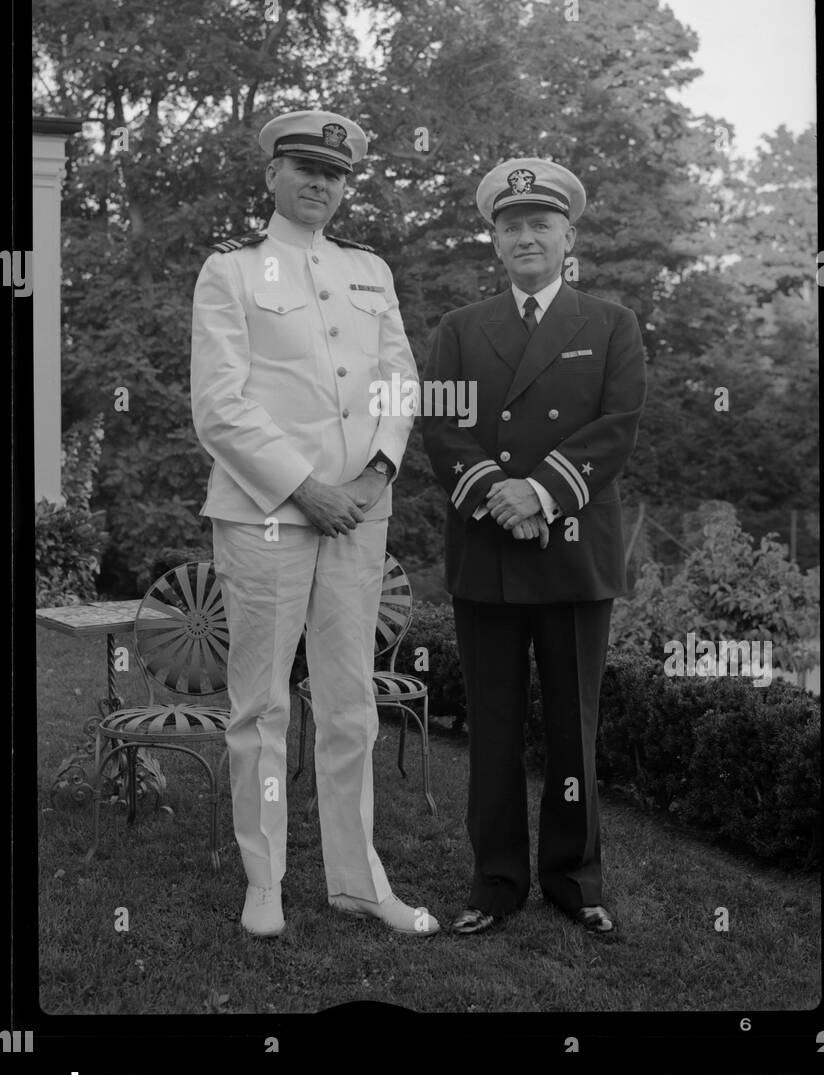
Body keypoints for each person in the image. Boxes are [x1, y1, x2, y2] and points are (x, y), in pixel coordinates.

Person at [191, 109, 439, 938]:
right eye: (305, 168)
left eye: (334, 174)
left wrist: (374, 475)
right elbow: (219, 407)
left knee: (349, 703)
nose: (320, 183)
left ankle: (357, 881)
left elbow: (399, 383)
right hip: (267, 515)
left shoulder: (370, 269)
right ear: (273, 174)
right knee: (261, 705)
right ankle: (264, 881)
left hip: (360, 514)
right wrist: (306, 489)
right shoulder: (231, 270)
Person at [421, 157, 646, 935]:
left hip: (573, 551)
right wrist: (500, 494)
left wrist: (541, 492)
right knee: (491, 726)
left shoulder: (611, 322)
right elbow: (441, 426)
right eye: (511, 225)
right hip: (487, 548)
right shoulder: (459, 328)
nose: (526, 236)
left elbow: (617, 426)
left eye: (540, 224)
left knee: (571, 727)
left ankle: (575, 879)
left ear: (567, 237)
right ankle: (495, 881)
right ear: (495, 241)